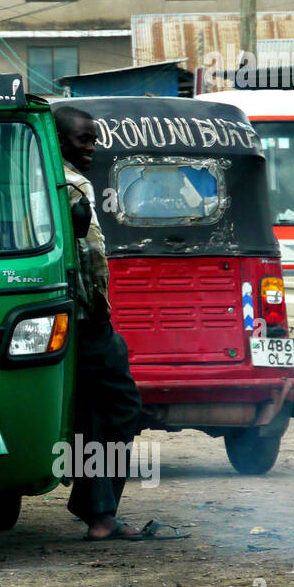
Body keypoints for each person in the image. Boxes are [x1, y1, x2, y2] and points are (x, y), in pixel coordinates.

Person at [53, 106, 183, 542]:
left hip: (74, 318)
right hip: (85, 320)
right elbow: (85, 260)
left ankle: (98, 513)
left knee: (94, 411)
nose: (91, 147)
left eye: (93, 139)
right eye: (82, 139)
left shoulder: (55, 181)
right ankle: (98, 511)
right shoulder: (67, 185)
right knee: (122, 405)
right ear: (57, 139)